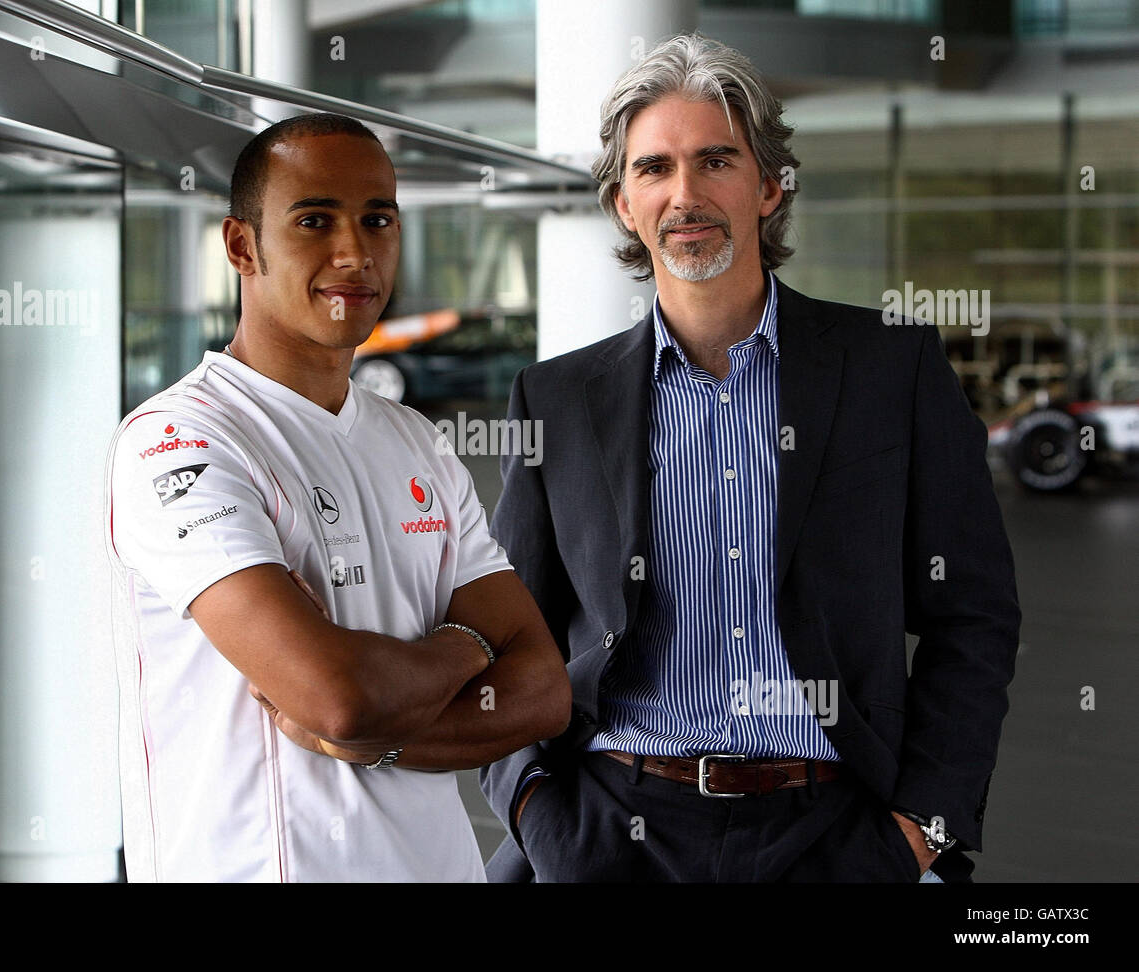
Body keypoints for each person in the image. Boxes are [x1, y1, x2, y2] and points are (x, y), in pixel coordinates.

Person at [479, 34, 1020, 883]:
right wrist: (535, 813)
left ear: (770, 186)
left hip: (837, 835)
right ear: (625, 203)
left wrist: (921, 832)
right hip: (611, 834)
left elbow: (973, 617)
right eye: (654, 168)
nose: (684, 194)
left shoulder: (892, 368)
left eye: (716, 161)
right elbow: (505, 638)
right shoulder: (553, 402)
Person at [104, 113, 570, 882]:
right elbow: (335, 698)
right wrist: (468, 646)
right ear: (241, 246)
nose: (354, 252)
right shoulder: (180, 441)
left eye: (377, 219)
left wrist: (385, 728)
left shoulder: (415, 438)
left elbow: (541, 692)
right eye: (314, 220)